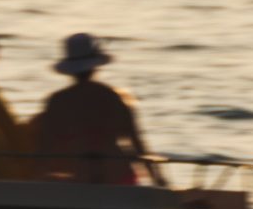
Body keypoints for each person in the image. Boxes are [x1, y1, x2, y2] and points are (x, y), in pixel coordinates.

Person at [29, 34, 162, 185]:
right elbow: (137, 144)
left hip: (78, 179)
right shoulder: (112, 97)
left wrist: (37, 181)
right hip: (118, 177)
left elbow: (44, 148)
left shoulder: (57, 101)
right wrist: (159, 180)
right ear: (95, 66)